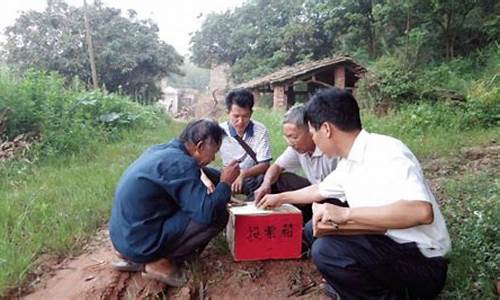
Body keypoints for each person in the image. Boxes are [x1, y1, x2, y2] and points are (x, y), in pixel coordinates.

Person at [257, 88, 451, 299]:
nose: (313, 139)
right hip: (389, 241)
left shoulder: (386, 152)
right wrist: (280, 198)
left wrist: (346, 215)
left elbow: (421, 211)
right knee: (314, 230)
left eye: (313, 133)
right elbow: (318, 190)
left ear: (327, 129)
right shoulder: (348, 162)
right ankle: (354, 286)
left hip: (422, 261)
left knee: (326, 251)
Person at [109, 119, 240, 287]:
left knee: (200, 203)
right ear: (199, 146)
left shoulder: (165, 151)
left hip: (124, 237)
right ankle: (159, 262)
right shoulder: (182, 164)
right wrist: (225, 185)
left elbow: (199, 171)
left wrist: (224, 178)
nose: (213, 158)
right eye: (213, 152)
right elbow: (207, 212)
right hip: (139, 242)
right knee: (218, 215)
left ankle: (135, 258)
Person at [254, 105, 338, 222]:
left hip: (334, 200)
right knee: (279, 179)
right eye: (287, 137)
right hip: (314, 194)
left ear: (310, 130)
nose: (290, 143)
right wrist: (266, 184)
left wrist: (282, 198)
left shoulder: (331, 150)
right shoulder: (297, 149)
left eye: (293, 137)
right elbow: (276, 167)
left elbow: (329, 190)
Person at [203, 88, 272, 200]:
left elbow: (264, 165)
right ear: (228, 113)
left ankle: (251, 209)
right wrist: (205, 179)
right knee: (202, 172)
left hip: (249, 177)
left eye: (245, 116)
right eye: (236, 116)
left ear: (251, 113)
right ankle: (215, 203)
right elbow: (199, 160)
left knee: (263, 181)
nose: (240, 121)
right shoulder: (219, 130)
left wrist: (242, 174)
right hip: (225, 174)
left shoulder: (260, 130)